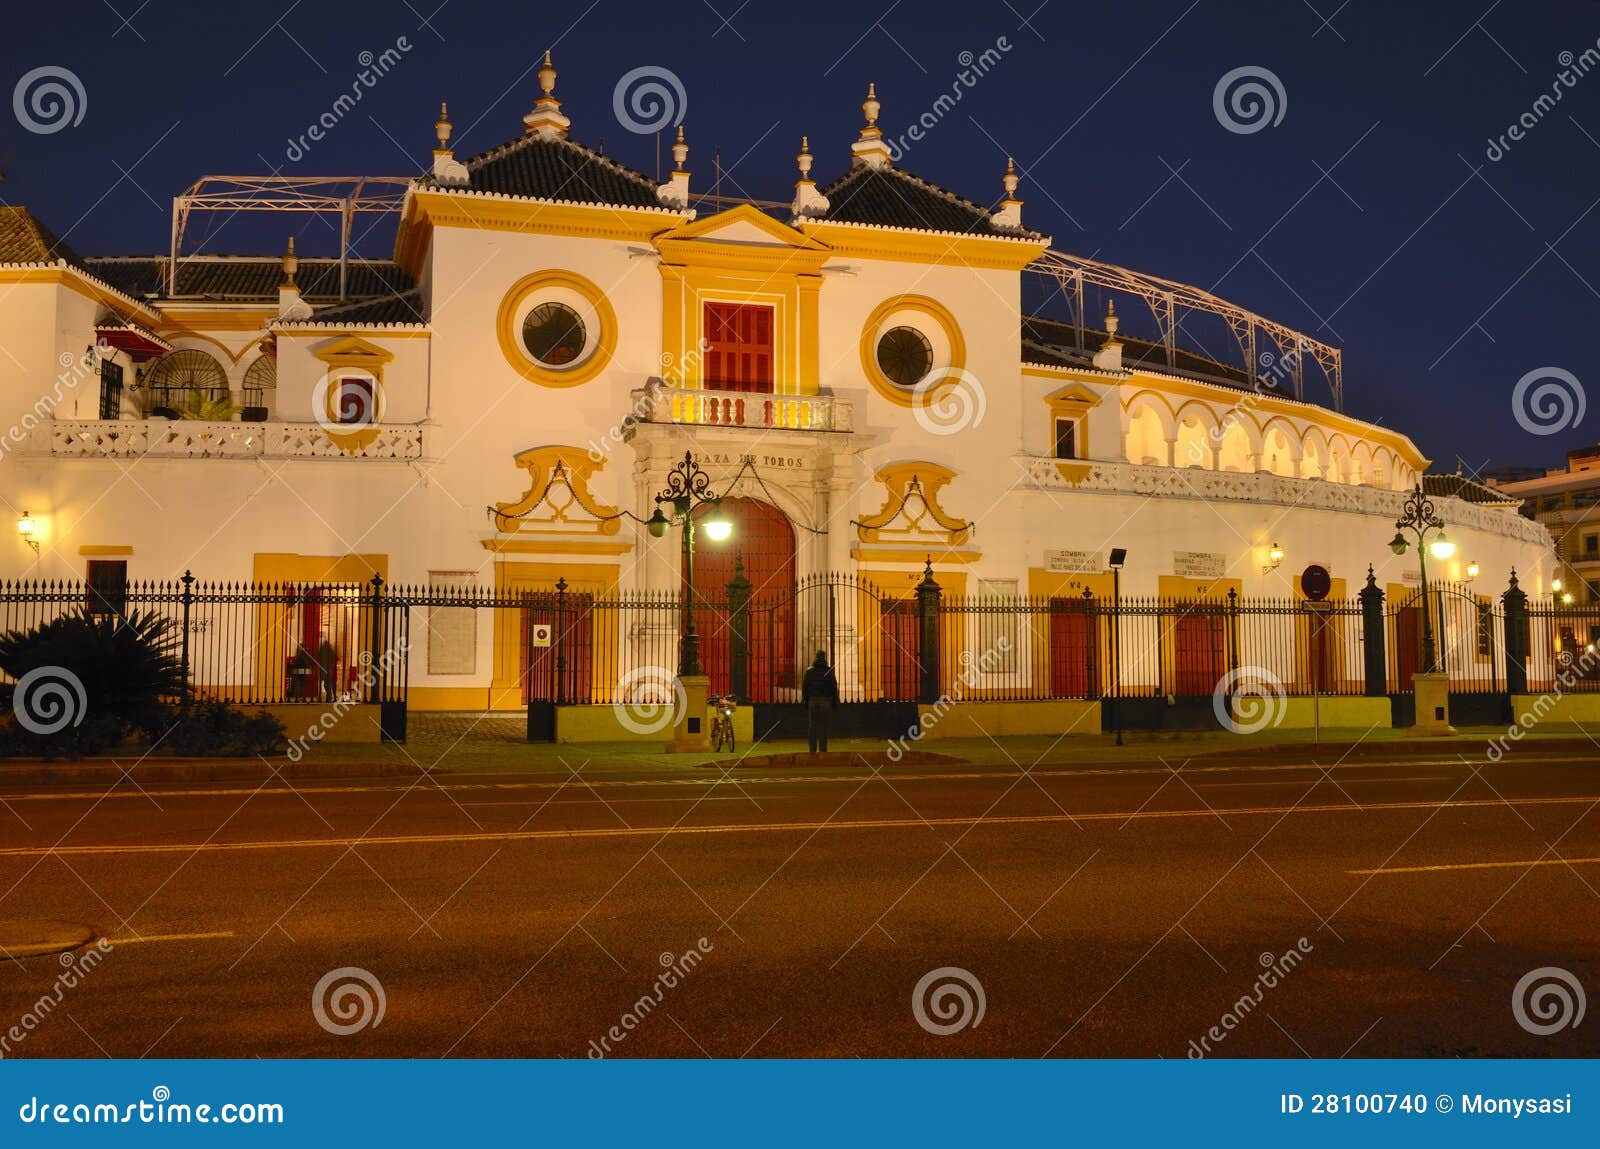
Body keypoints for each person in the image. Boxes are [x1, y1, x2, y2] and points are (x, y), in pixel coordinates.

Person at [801, 650, 839, 753]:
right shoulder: (829, 671)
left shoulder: (809, 671)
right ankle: (823, 750)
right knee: (823, 726)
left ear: (815, 657)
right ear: (824, 658)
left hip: (813, 701)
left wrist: (805, 700)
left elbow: (805, 687)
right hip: (825, 701)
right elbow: (833, 687)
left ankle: (812, 750)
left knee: (813, 727)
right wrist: (835, 701)